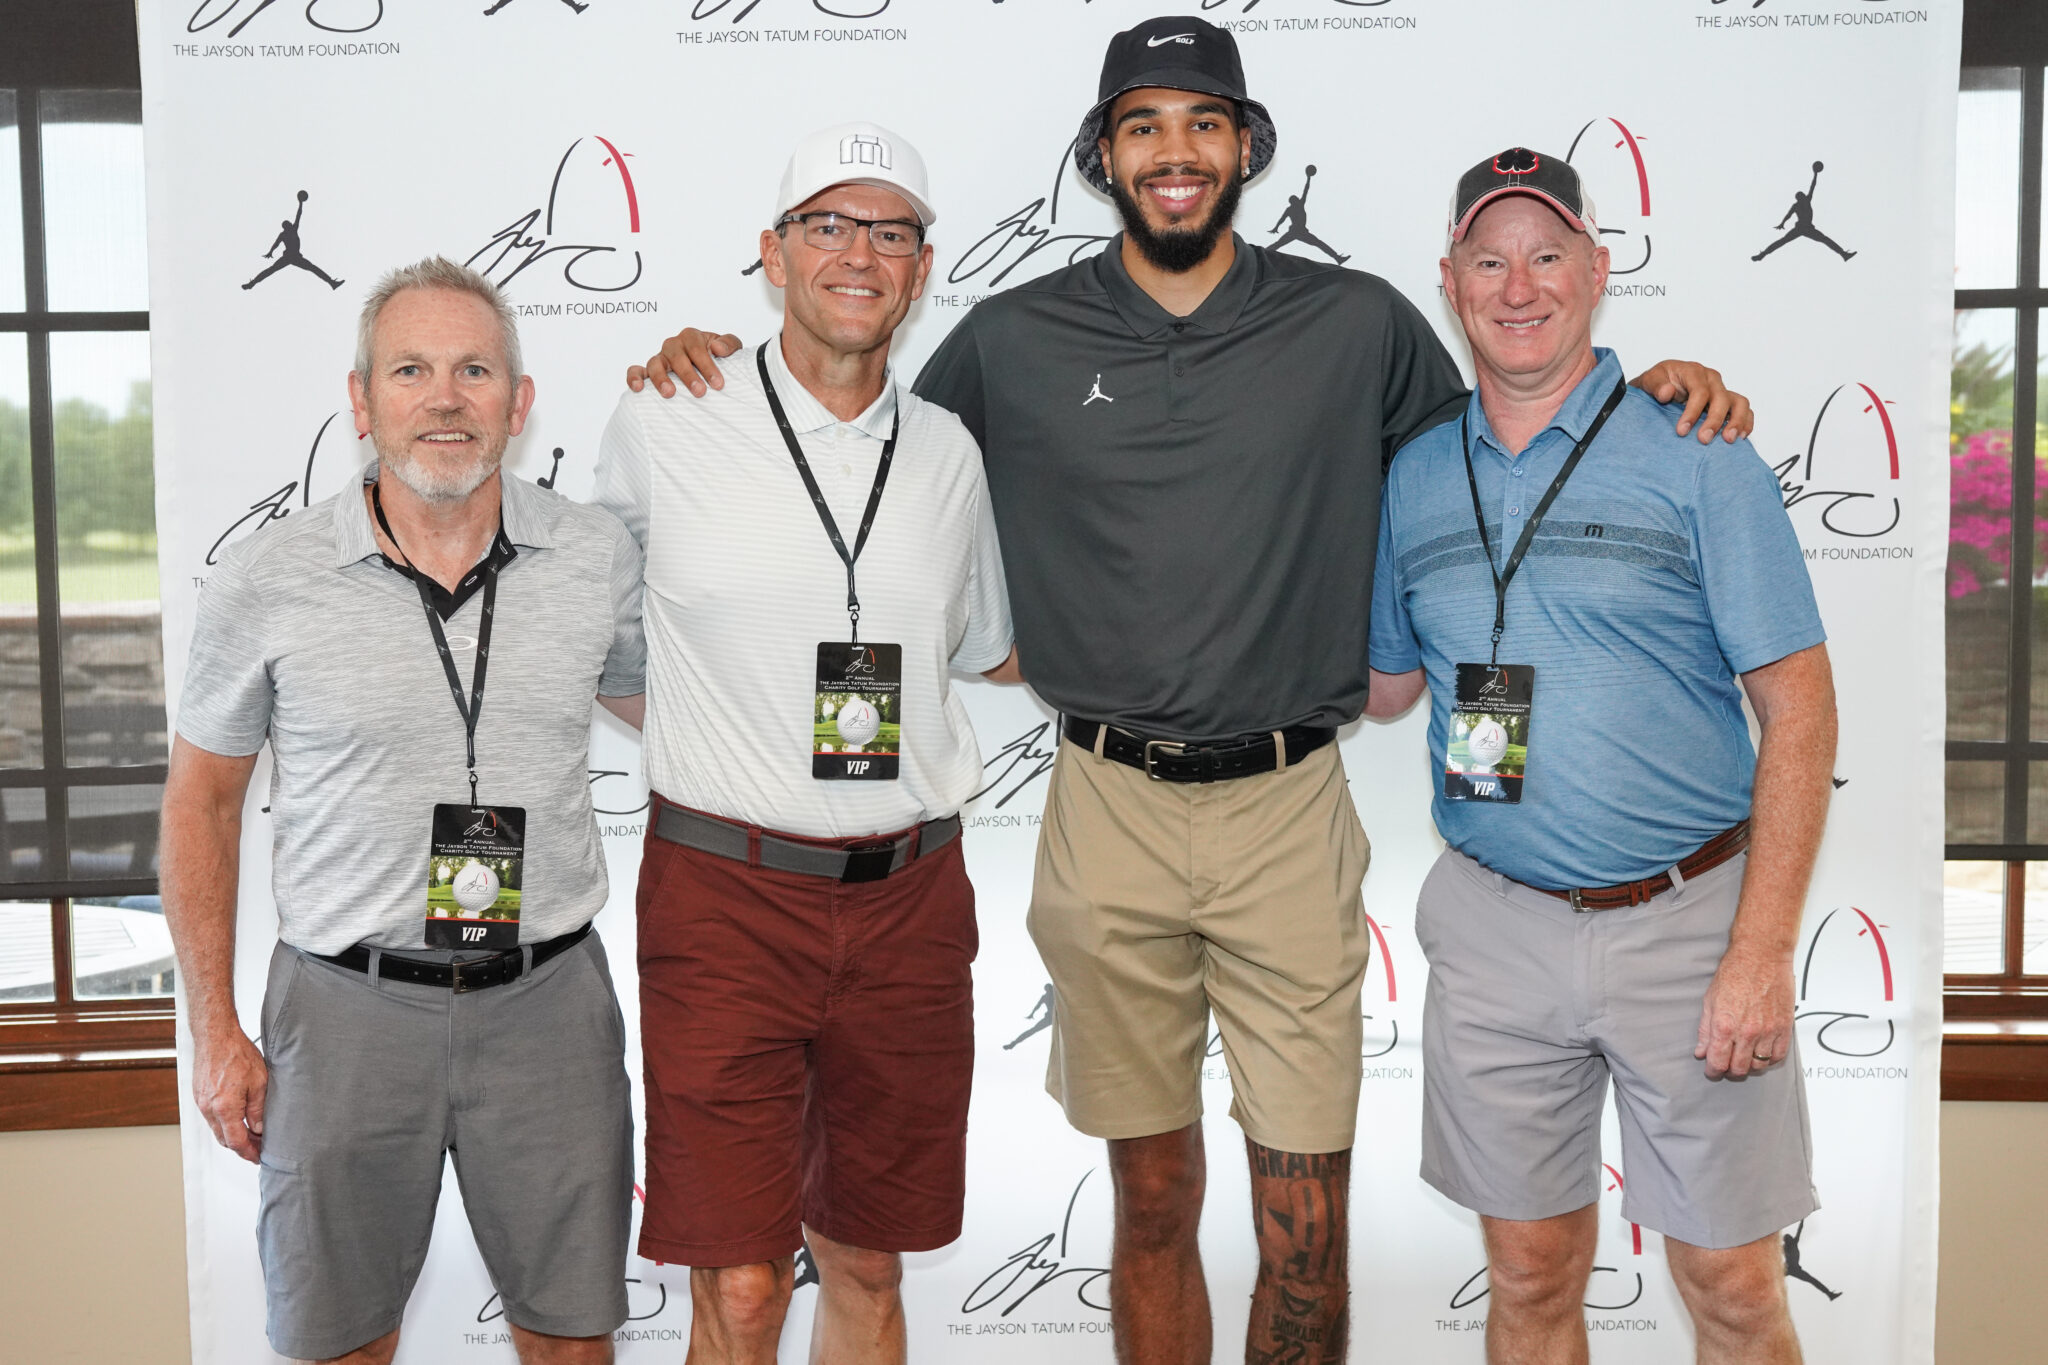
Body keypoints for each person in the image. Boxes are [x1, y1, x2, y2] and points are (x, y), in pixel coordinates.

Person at [625, 20, 1751, 1362]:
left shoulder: (1355, 324)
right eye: (1145, 123)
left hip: (1287, 802)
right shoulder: (1009, 338)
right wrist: (706, 373)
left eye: (1204, 122)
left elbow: (1507, 440)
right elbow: (864, 440)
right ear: (1104, 153)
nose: (1176, 151)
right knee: (1151, 1198)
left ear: (1244, 149)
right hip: (1103, 807)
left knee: (1305, 1217)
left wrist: (1664, 391)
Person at [1366, 148, 1836, 1365]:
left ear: (1596, 269)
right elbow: (1381, 685)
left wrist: (1759, 952)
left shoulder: (1696, 447)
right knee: (1525, 1277)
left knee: (1729, 1283)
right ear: (1448, 280)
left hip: (1687, 923)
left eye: (1545, 254)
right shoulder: (1412, 477)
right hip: (1491, 924)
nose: (1517, 286)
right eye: (1487, 258)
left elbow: (1800, 712)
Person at [162, 257, 646, 1365]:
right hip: (342, 1013)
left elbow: (667, 693)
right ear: (359, 398)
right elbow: (202, 799)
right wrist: (212, 1031)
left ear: (519, 405)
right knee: (339, 1345)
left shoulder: (590, 555)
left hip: (548, 1007)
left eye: (475, 370)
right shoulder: (268, 577)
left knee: (574, 1341)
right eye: (411, 369)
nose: (445, 397)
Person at [590, 123, 1015, 1365]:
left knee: (870, 1269)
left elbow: (982, 645)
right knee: (737, 1287)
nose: (857, 254)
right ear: (771, 254)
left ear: (923, 268)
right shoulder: (666, 417)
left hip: (910, 902)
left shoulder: (946, 453)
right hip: (724, 900)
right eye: (826, 225)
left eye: (890, 232)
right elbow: (612, 655)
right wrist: (741, 752)